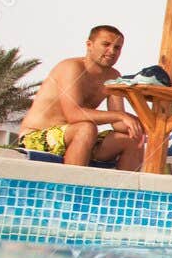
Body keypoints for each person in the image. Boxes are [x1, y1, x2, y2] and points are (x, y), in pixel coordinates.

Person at [18, 25, 144, 170]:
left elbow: (118, 124)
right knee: (86, 128)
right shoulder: (71, 67)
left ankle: (125, 186)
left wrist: (147, 126)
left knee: (132, 139)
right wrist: (121, 116)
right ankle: (71, 184)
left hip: (80, 139)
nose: (112, 51)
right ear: (89, 45)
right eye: (106, 44)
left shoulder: (113, 76)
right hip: (36, 136)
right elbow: (74, 114)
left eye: (117, 47)